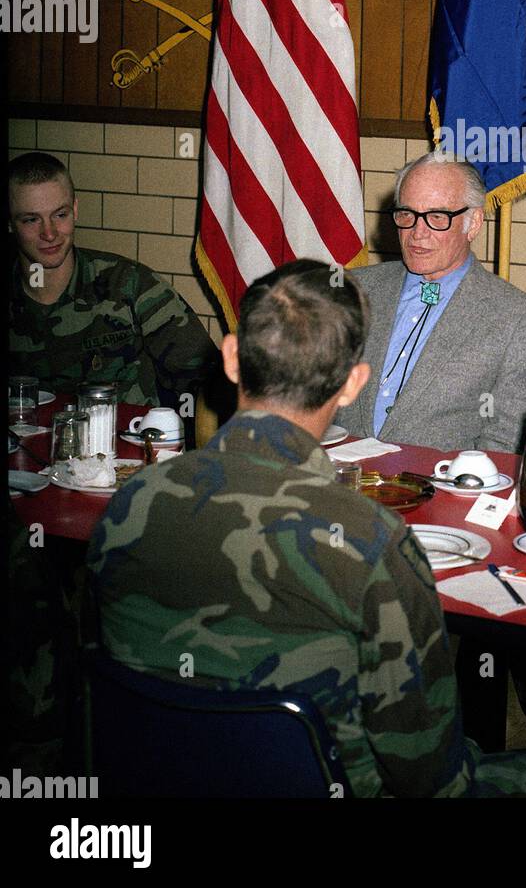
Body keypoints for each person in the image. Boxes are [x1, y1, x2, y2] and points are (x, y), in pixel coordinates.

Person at [87, 260, 476, 799]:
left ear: (229, 358)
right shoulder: (372, 540)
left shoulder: (129, 504)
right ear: (351, 385)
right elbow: (427, 772)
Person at [339, 153, 526, 452]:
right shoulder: (352, 290)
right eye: (407, 215)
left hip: (440, 490)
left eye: (437, 217)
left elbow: (506, 442)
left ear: (473, 223)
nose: (417, 233)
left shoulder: (517, 319)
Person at [8, 152, 217, 408]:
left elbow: (208, 380)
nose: (49, 233)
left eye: (60, 215)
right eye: (31, 220)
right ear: (10, 222)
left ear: (75, 209)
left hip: (124, 443)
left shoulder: (128, 284)